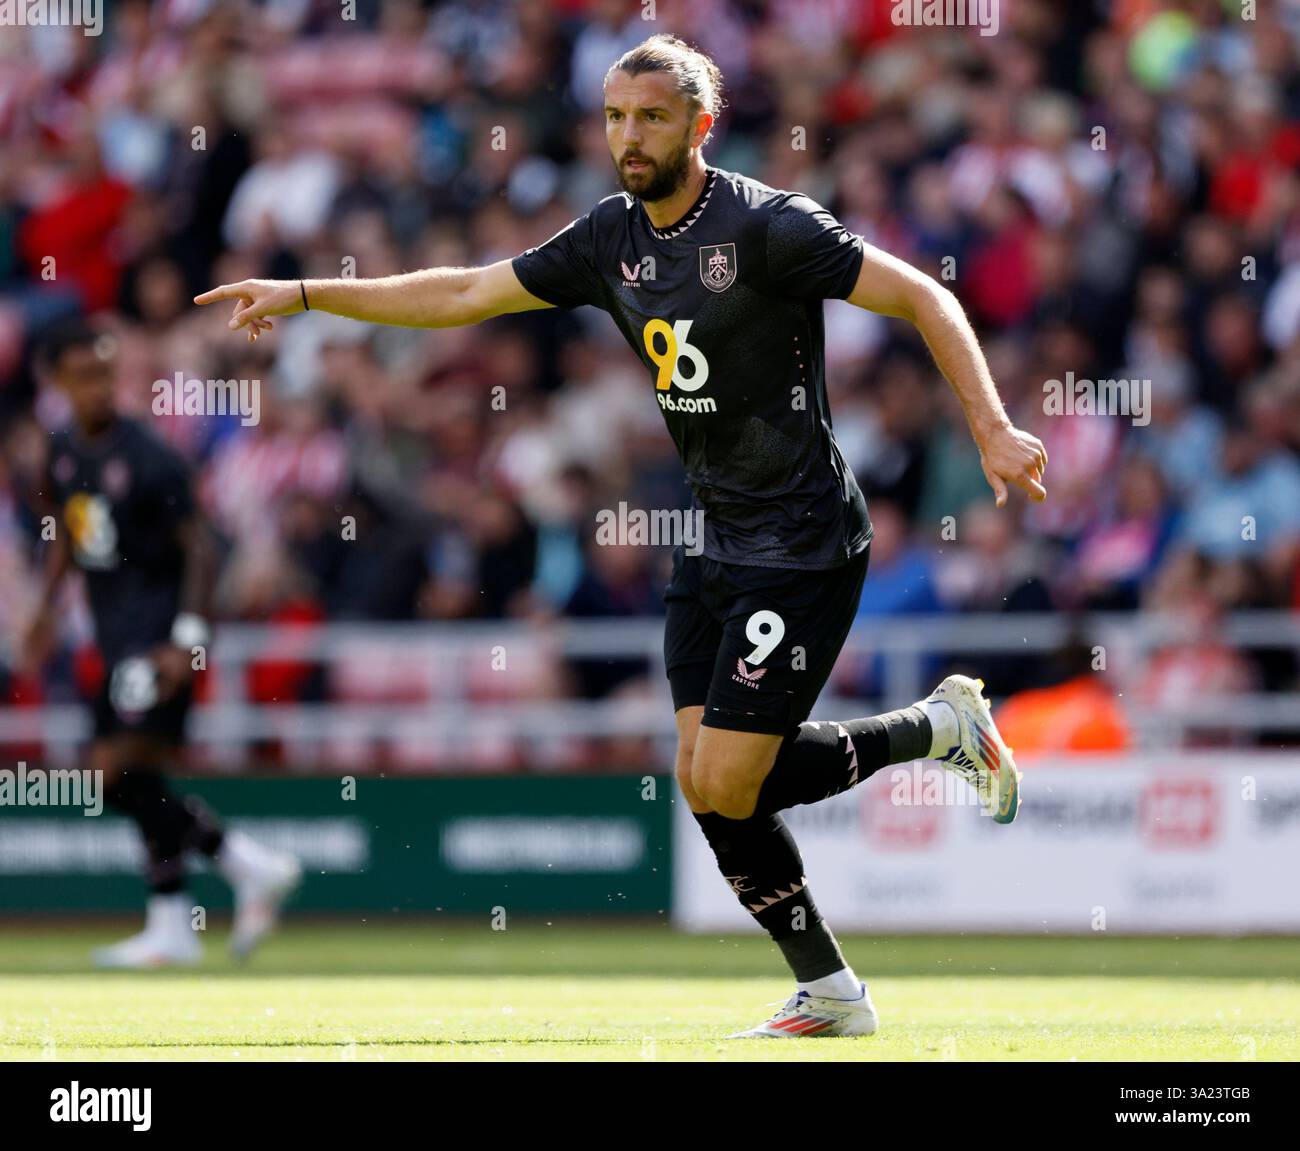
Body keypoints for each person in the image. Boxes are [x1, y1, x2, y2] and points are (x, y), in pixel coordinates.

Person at [195, 34, 1048, 1037]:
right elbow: (468, 292)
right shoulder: (609, 238)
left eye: (648, 116)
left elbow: (924, 294)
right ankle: (831, 988)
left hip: (804, 537)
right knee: (707, 780)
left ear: (699, 123)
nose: (626, 136)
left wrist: (990, 424)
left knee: (730, 777)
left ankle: (936, 737)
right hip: (712, 535)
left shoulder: (768, 227)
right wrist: (305, 294)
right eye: (612, 116)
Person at [24, 320, 301, 968]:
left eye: (103, 372)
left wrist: (187, 640)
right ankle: (194, 905)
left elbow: (202, 548)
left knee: (115, 771)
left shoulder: (149, 455)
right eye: (82, 375)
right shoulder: (63, 449)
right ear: (58, 382)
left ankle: (232, 875)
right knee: (124, 778)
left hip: (157, 637)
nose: (97, 387)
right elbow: (69, 530)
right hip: (114, 635)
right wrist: (43, 609)